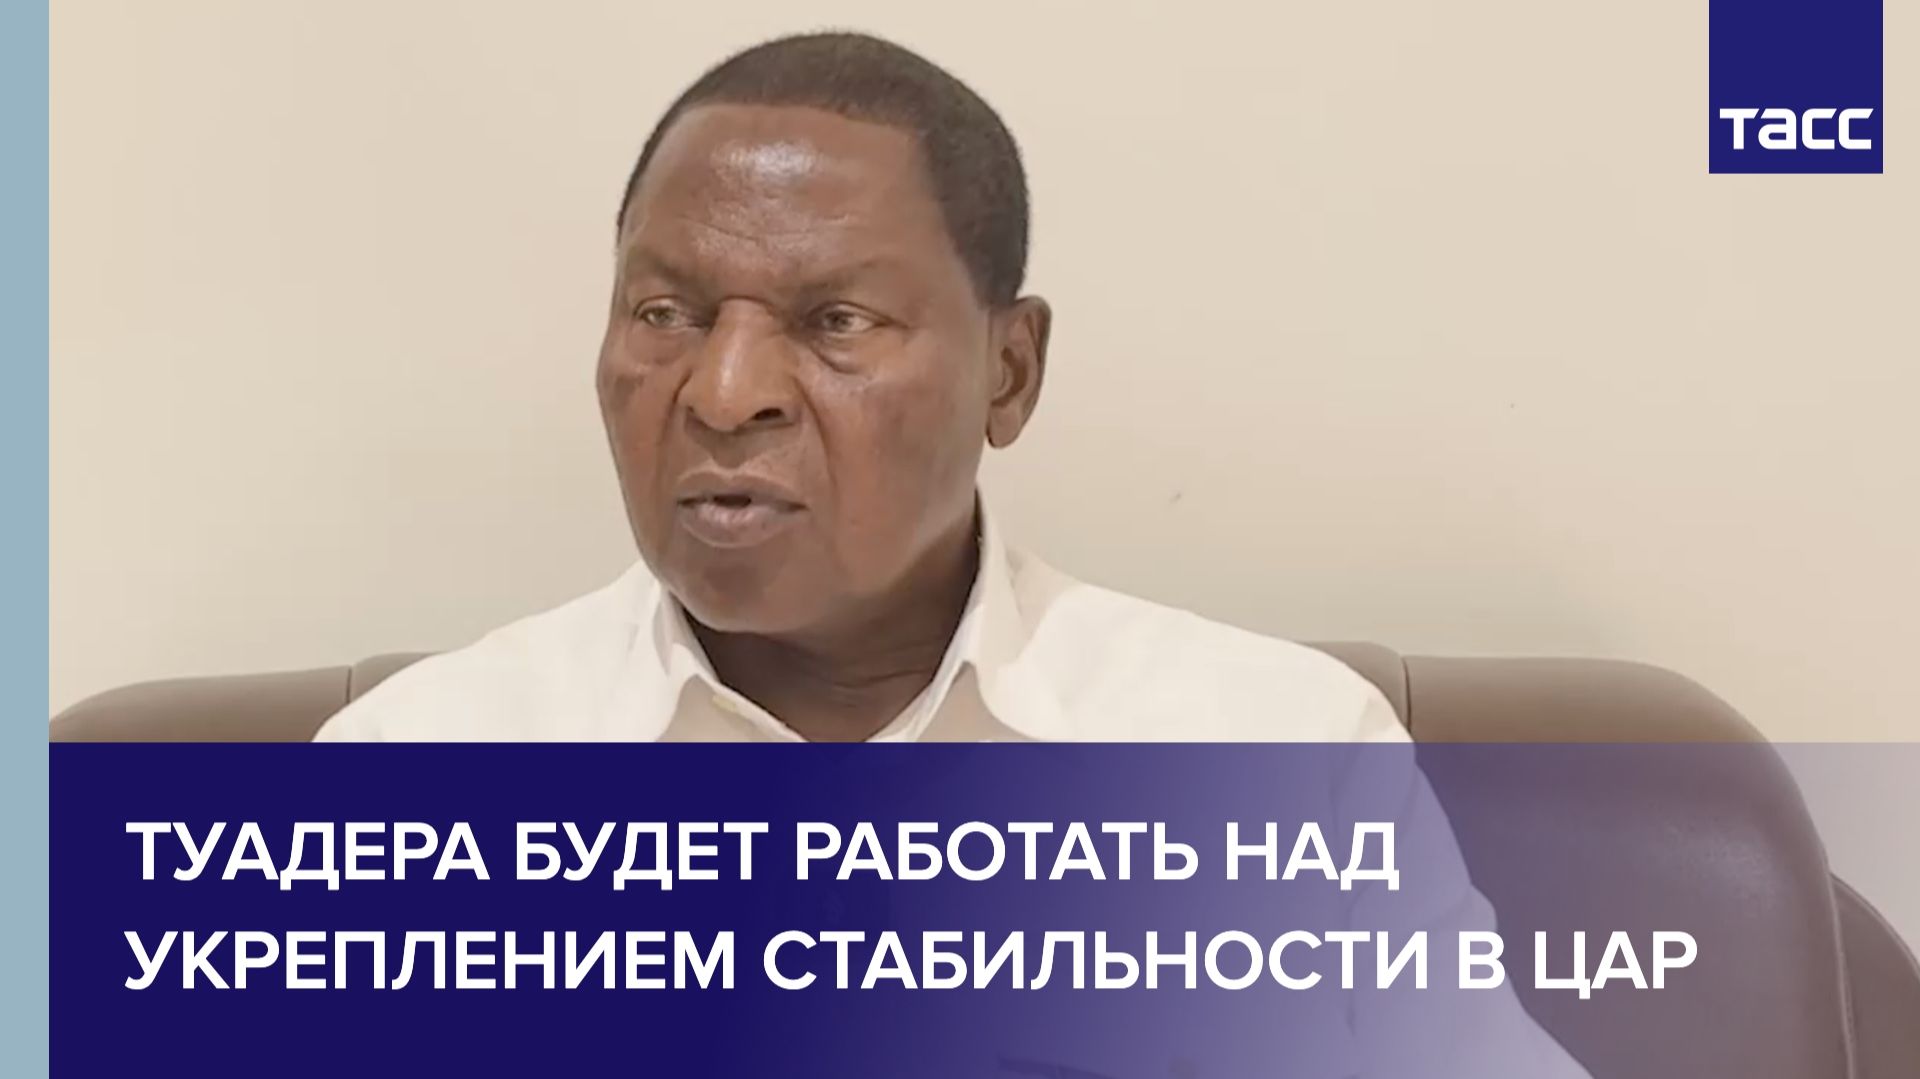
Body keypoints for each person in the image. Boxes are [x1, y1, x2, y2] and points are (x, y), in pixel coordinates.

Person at [316, 34, 1587, 1076]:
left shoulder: (1284, 752)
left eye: (835, 319)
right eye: (665, 312)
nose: (725, 390)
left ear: (1008, 371)